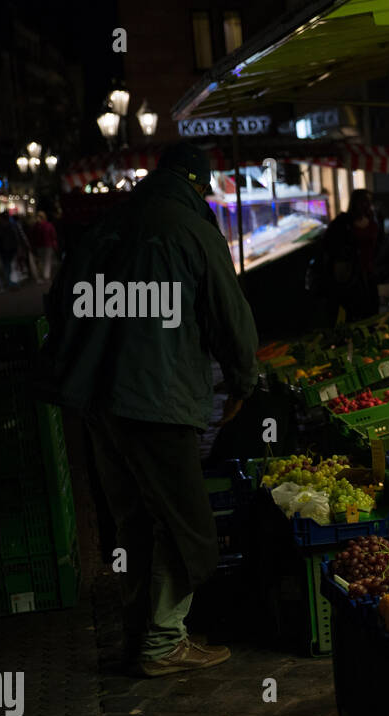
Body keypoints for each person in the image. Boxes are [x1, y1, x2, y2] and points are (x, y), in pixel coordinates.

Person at [39, 142, 259, 677]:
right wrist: (242, 381)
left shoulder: (109, 225)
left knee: (133, 518)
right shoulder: (190, 228)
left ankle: (141, 633)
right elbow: (228, 312)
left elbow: (60, 306)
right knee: (182, 521)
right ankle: (162, 643)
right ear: (197, 186)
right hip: (155, 400)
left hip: (99, 404)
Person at [319, 190, 389, 322]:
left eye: (369, 201)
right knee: (353, 310)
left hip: (368, 271)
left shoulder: (374, 220)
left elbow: (379, 243)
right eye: (363, 201)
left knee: (371, 309)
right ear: (355, 203)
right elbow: (328, 244)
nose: (367, 205)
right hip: (350, 275)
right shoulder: (343, 223)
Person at [30, 211, 58, 283]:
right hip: (47, 245)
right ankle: (46, 276)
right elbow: (53, 235)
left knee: (42, 261)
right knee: (47, 261)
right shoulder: (48, 225)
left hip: (41, 245)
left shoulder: (36, 226)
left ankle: (43, 275)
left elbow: (33, 236)